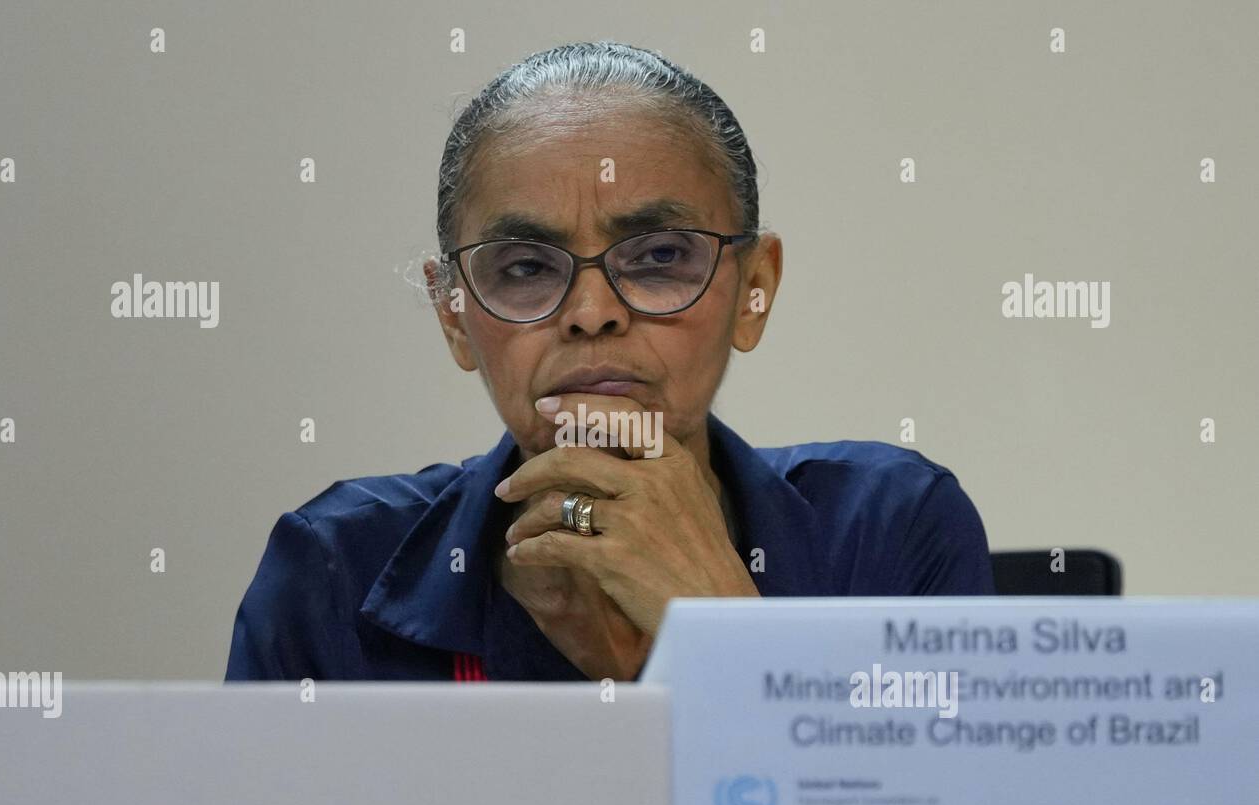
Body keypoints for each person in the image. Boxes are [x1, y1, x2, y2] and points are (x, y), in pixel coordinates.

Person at [225, 40, 994, 684]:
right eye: (524, 268)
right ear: (454, 315)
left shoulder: (889, 532)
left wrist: (721, 633)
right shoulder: (333, 566)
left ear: (753, 291)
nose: (592, 312)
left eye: (659, 256)